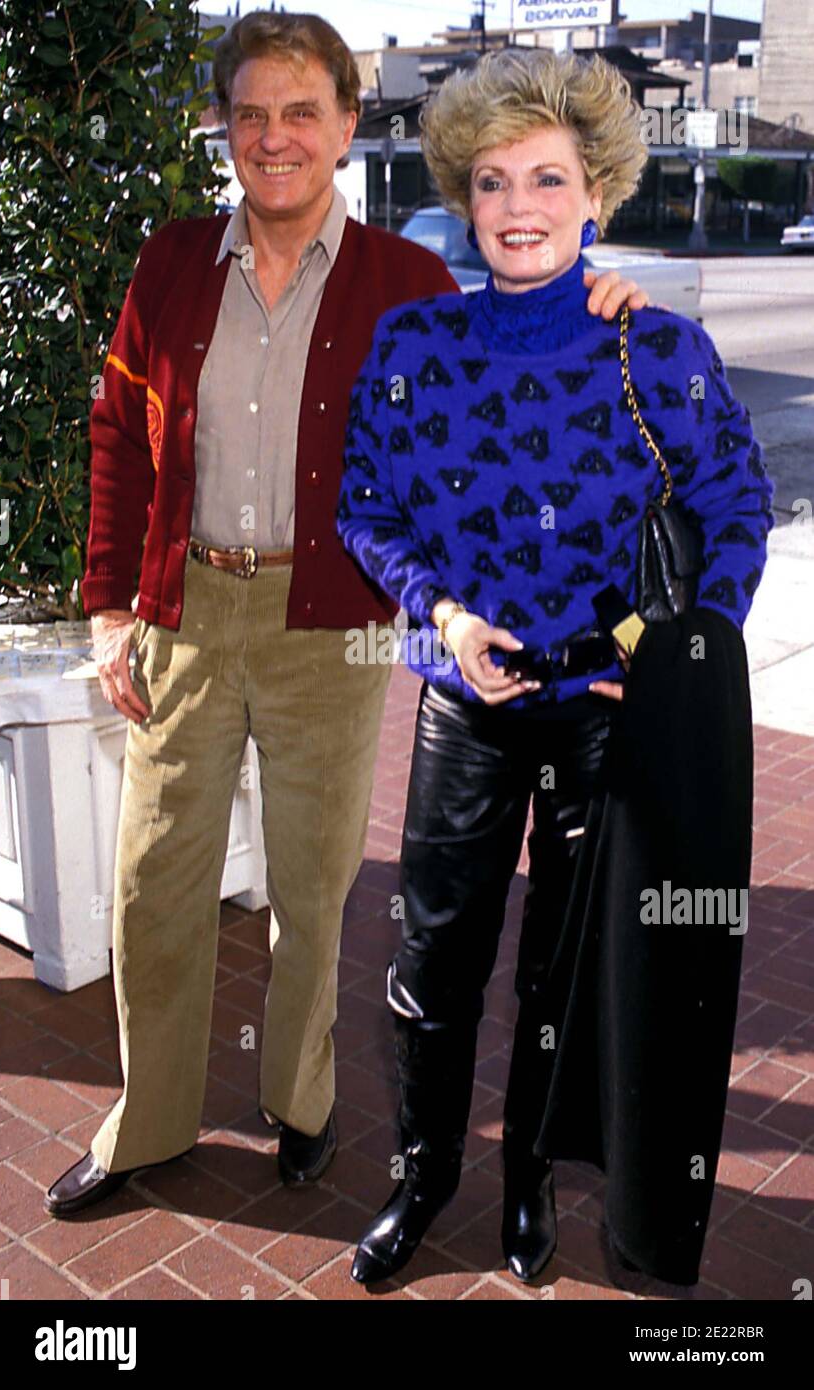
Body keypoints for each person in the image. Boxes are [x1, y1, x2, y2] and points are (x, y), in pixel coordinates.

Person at [45, 14, 648, 1220]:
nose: (275, 137)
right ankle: (147, 1122)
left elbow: (504, 407)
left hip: (336, 626)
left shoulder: (407, 282)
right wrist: (110, 608)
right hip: (184, 611)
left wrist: (599, 306)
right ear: (222, 126)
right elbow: (119, 441)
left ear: (345, 126)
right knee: (154, 887)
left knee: (315, 893)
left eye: (301, 111)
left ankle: (303, 1106)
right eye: (251, 112)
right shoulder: (168, 264)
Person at [336, 46, 773, 1284]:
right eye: (490, 180)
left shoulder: (659, 348)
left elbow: (737, 504)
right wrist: (443, 620)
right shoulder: (415, 341)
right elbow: (366, 506)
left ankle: (526, 1188)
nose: (517, 206)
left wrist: (671, 655)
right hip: (467, 699)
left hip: (602, 711)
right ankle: (420, 1183)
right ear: (461, 198)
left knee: (558, 973)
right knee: (431, 961)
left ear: (597, 195)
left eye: (546, 179)